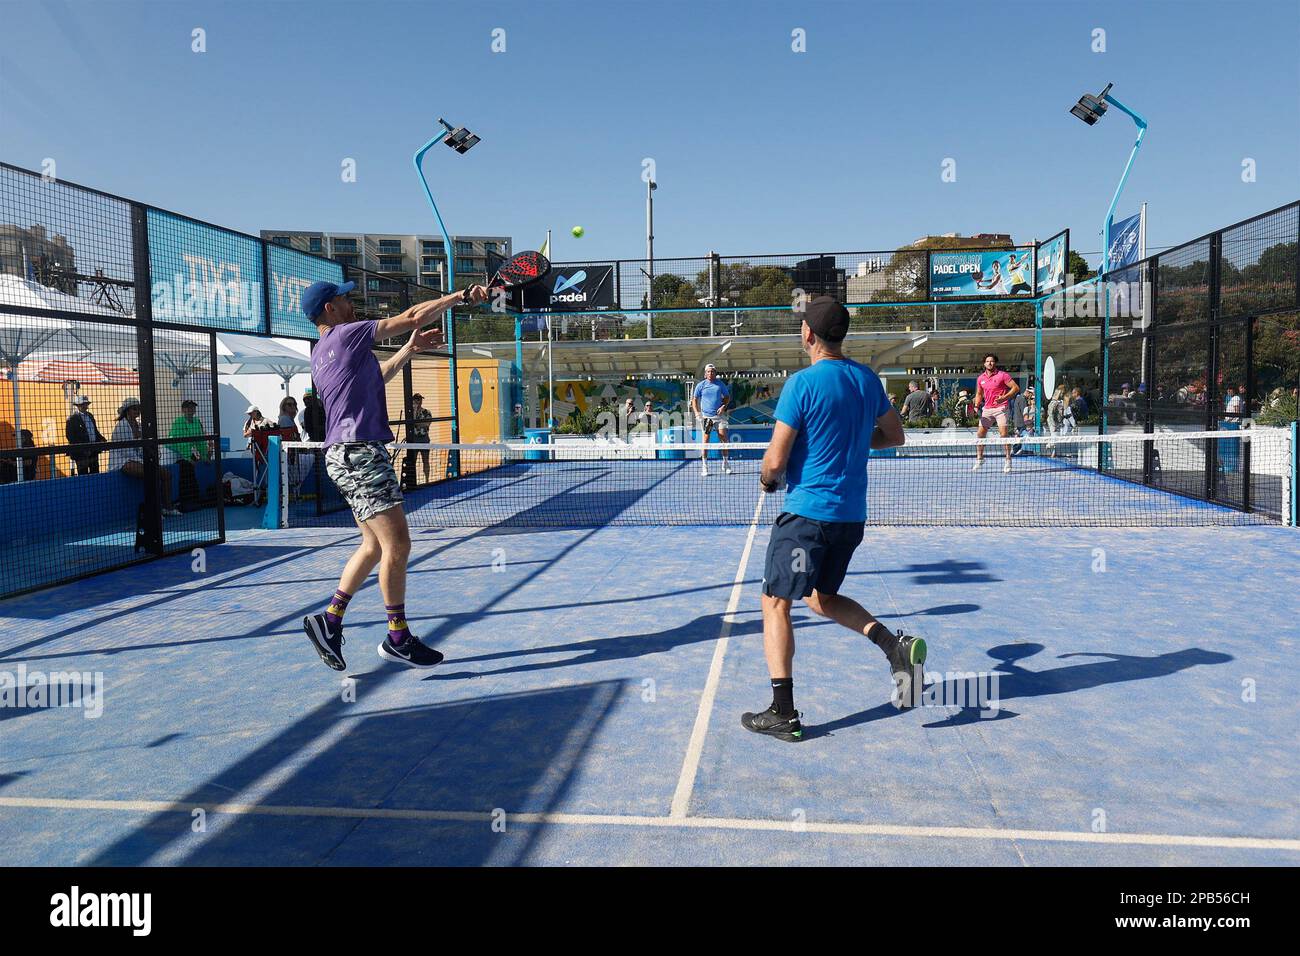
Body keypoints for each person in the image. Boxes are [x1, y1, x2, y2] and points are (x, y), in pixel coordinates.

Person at [744, 297, 923, 743]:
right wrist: (854, 441)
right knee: (822, 597)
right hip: (850, 518)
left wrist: (767, 479)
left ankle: (783, 713)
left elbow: (775, 459)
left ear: (808, 334)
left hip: (807, 517)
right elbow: (895, 436)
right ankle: (893, 646)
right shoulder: (866, 378)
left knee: (775, 602)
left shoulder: (801, 384)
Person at [301, 278, 488, 672]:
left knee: (372, 546)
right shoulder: (347, 333)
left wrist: (408, 349)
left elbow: (374, 379)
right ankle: (398, 637)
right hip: (360, 453)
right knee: (398, 545)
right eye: (344, 297)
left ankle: (329, 620)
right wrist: (460, 296)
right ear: (330, 308)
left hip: (343, 454)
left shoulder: (322, 354)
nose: (351, 302)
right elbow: (411, 316)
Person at [109, 397, 180, 517]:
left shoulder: (140, 426)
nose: (137, 411)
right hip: (122, 461)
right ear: (127, 411)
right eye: (134, 408)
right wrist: (144, 460)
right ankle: (153, 511)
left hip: (137, 459)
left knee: (167, 474)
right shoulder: (121, 426)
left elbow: (142, 448)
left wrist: (151, 455)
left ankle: (168, 507)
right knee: (151, 474)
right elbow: (127, 452)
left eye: (139, 409)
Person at [972, 353, 1019, 474]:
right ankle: (980, 459)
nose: (989, 363)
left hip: (1001, 408)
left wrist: (1004, 398)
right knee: (980, 434)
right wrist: (976, 406)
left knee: (1004, 435)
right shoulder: (981, 378)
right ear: (984, 364)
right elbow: (979, 394)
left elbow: (1015, 388)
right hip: (987, 409)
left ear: (995, 363)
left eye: (992, 361)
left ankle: (1008, 460)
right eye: (987, 361)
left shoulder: (1003, 375)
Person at [692, 363, 732, 476]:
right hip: (707, 418)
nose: (710, 373)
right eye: (708, 371)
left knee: (724, 439)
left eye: (712, 371)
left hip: (719, 418)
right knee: (706, 441)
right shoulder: (700, 385)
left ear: (715, 373)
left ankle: (725, 463)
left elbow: (727, 397)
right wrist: (696, 413)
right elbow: (694, 400)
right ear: (705, 374)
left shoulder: (720, 385)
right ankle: (704, 466)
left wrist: (723, 406)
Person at [65, 395, 106, 475]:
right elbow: (70, 436)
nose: (84, 406)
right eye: (82, 404)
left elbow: (95, 431)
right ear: (78, 406)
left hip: (93, 450)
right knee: (83, 474)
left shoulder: (90, 416)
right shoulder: (72, 418)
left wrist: (101, 438)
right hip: (81, 453)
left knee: (95, 473)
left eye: (86, 404)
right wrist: (82, 448)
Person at [405, 393, 434, 484]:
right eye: (417, 399)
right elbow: (410, 424)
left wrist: (416, 423)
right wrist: (414, 411)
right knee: (412, 461)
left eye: (420, 399)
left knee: (426, 460)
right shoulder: (409, 413)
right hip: (414, 439)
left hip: (424, 439)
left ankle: (427, 480)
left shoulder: (427, 412)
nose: (419, 401)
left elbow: (426, 424)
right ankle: (413, 482)